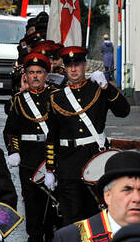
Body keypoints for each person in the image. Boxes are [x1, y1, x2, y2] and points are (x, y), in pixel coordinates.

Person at [44, 45, 131, 226]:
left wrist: (107, 86)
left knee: (97, 214)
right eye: (69, 65)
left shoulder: (98, 89)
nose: (73, 69)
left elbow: (123, 111)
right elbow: (52, 136)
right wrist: (50, 169)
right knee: (72, 218)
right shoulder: (56, 97)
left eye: (77, 64)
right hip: (68, 163)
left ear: (85, 66)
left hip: (96, 159)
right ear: (64, 68)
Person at [3, 52, 60, 242]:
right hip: (28, 156)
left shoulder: (56, 96)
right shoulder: (19, 100)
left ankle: (51, 235)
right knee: (31, 199)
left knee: (52, 199)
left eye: (39, 72)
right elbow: (10, 129)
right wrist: (14, 151)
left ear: (47, 74)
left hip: (50, 154)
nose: (35, 76)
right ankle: (34, 237)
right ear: (25, 75)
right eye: (31, 72)